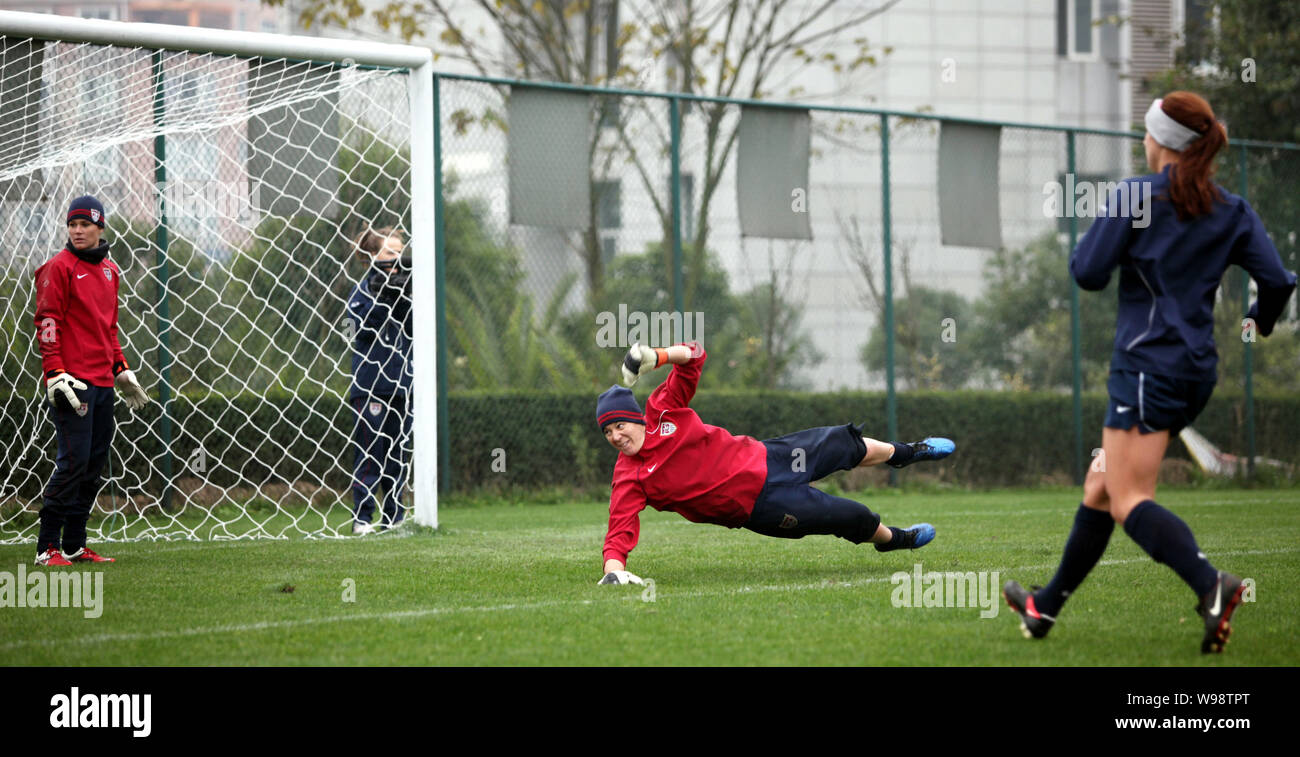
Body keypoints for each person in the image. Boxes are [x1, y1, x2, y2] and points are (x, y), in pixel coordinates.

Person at [1002, 92, 1297, 653]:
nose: (1143, 141)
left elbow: (1087, 272)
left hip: (1145, 368)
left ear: (1161, 141)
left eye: (1147, 132)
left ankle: (1212, 585)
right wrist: (1260, 321)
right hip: (1195, 373)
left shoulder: (1137, 195)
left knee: (1128, 496)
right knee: (1100, 486)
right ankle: (1045, 607)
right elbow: (1279, 281)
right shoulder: (1231, 209)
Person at [596, 341, 955, 585]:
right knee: (847, 515)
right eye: (607, 432)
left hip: (771, 457)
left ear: (637, 418)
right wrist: (614, 572)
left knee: (842, 444)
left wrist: (656, 356)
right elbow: (618, 532)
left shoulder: (664, 408)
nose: (615, 436)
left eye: (619, 425)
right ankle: (893, 539)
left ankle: (907, 452)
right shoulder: (630, 476)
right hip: (762, 508)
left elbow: (696, 355)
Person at [32, 195, 150, 566]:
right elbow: (47, 322)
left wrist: (121, 368)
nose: (77, 231)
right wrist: (53, 371)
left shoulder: (111, 272)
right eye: (72, 225)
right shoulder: (58, 268)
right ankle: (46, 547)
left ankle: (74, 545)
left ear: (100, 227)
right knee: (73, 462)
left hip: (103, 384)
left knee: (94, 462)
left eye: (85, 225)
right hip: (72, 383)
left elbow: (108, 329)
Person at [345, 226, 414, 535]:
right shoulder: (359, 292)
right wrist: (381, 300)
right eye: (389, 252)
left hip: (401, 386)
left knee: (397, 454)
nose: (395, 258)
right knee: (371, 454)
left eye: (399, 252)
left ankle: (394, 517)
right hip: (370, 386)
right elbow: (351, 333)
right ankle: (362, 519)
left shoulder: (406, 290)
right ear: (371, 257)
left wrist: (402, 301)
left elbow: (414, 332)